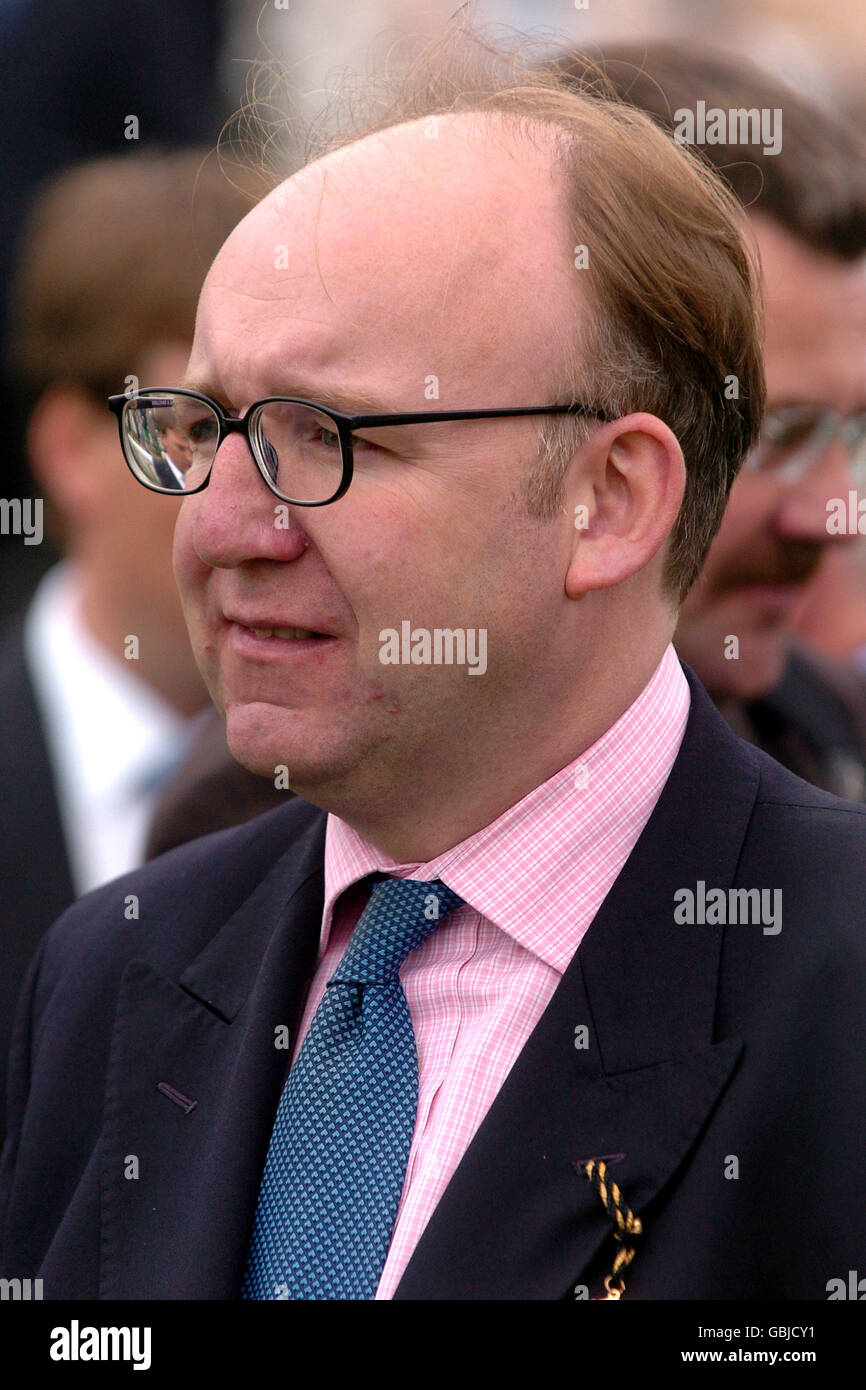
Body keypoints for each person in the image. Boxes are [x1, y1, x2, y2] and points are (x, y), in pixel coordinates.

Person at [3, 39, 866, 1302]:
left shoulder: (828, 987)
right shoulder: (114, 971)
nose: (226, 527)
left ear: (609, 499)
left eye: (326, 436)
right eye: (202, 429)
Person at [0, 151, 253, 1148]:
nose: (253, 498)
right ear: (68, 450)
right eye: (190, 431)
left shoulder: (384, 785)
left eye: (297, 428)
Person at [553, 43, 866, 802]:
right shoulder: (295, 854)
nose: (833, 514)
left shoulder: (826, 736)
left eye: (854, 434)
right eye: (772, 434)